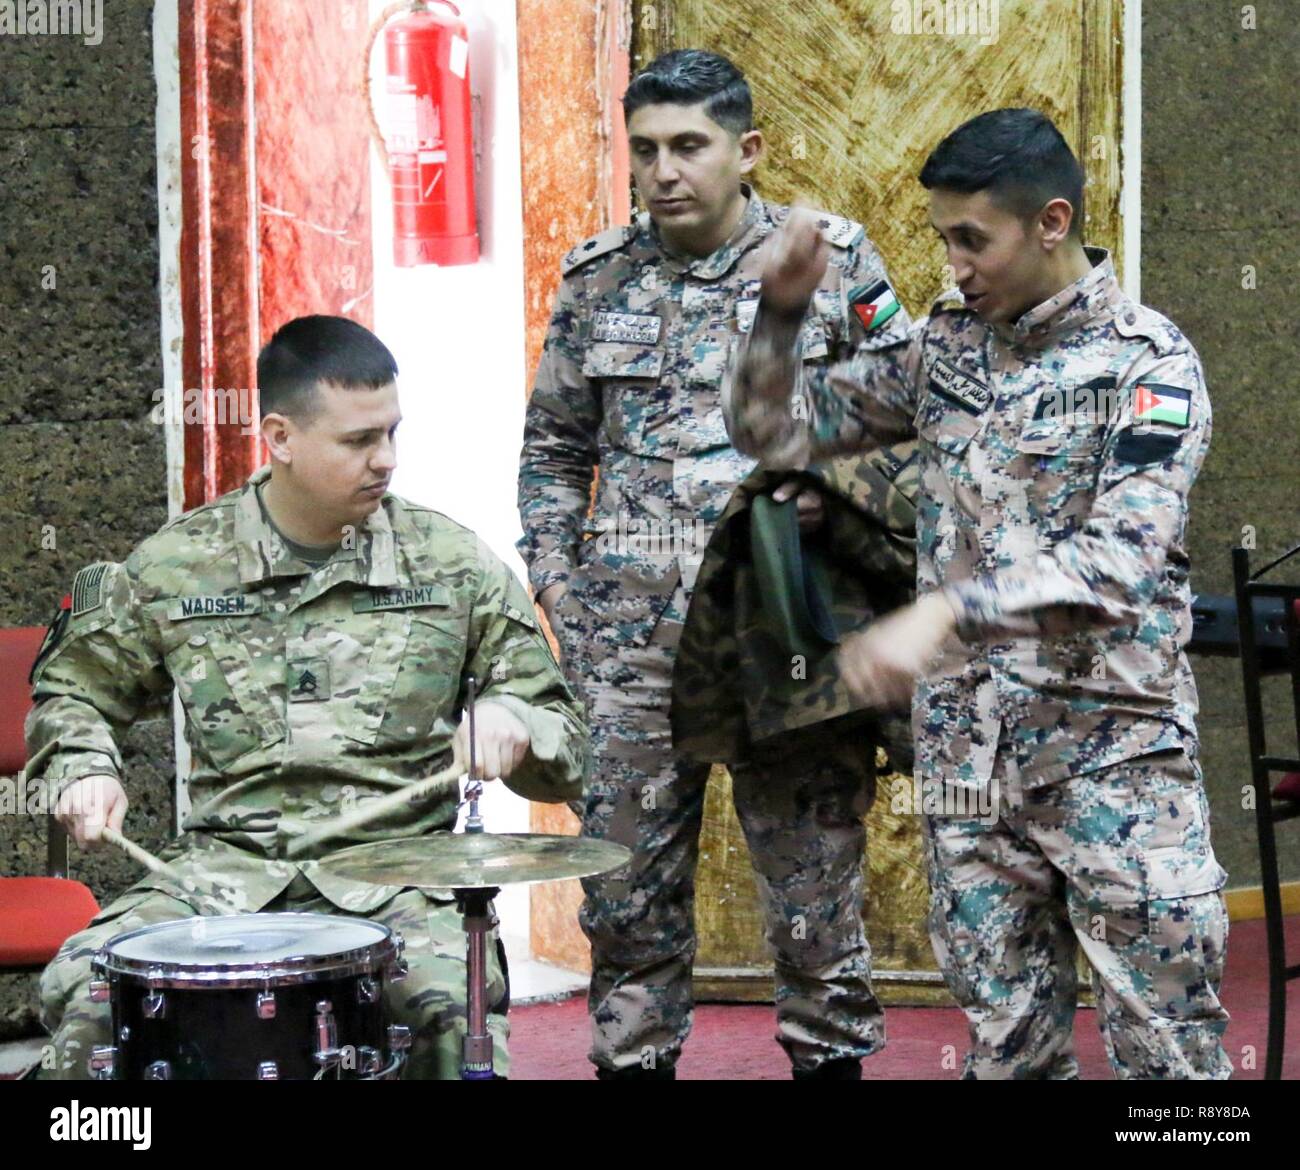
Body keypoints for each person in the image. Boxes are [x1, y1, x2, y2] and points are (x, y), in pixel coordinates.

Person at [724, 107, 1231, 1080]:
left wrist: (948, 611)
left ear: (1049, 222)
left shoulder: (1147, 364)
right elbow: (768, 428)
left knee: (1169, 1064)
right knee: (1006, 1055)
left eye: (972, 239)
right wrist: (782, 314)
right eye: (941, 239)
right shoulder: (948, 347)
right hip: (966, 764)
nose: (953, 265)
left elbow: (1117, 564)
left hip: (1112, 763)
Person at [28, 314, 586, 1080]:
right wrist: (84, 763)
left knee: (449, 1011)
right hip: (224, 872)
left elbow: (563, 733)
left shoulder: (452, 566)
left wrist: (518, 723)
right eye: (359, 441)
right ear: (281, 437)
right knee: (86, 993)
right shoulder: (177, 566)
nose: (385, 460)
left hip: (398, 879)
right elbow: (72, 690)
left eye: (392, 433)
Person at [518, 49, 912, 1080]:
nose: (663, 171)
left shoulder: (830, 259)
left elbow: (913, 432)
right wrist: (567, 595)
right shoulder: (597, 276)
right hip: (634, 654)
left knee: (815, 906)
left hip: (788, 639)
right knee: (626, 906)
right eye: (644, 148)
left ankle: (829, 1065)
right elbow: (554, 453)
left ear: (747, 151)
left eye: (688, 146)